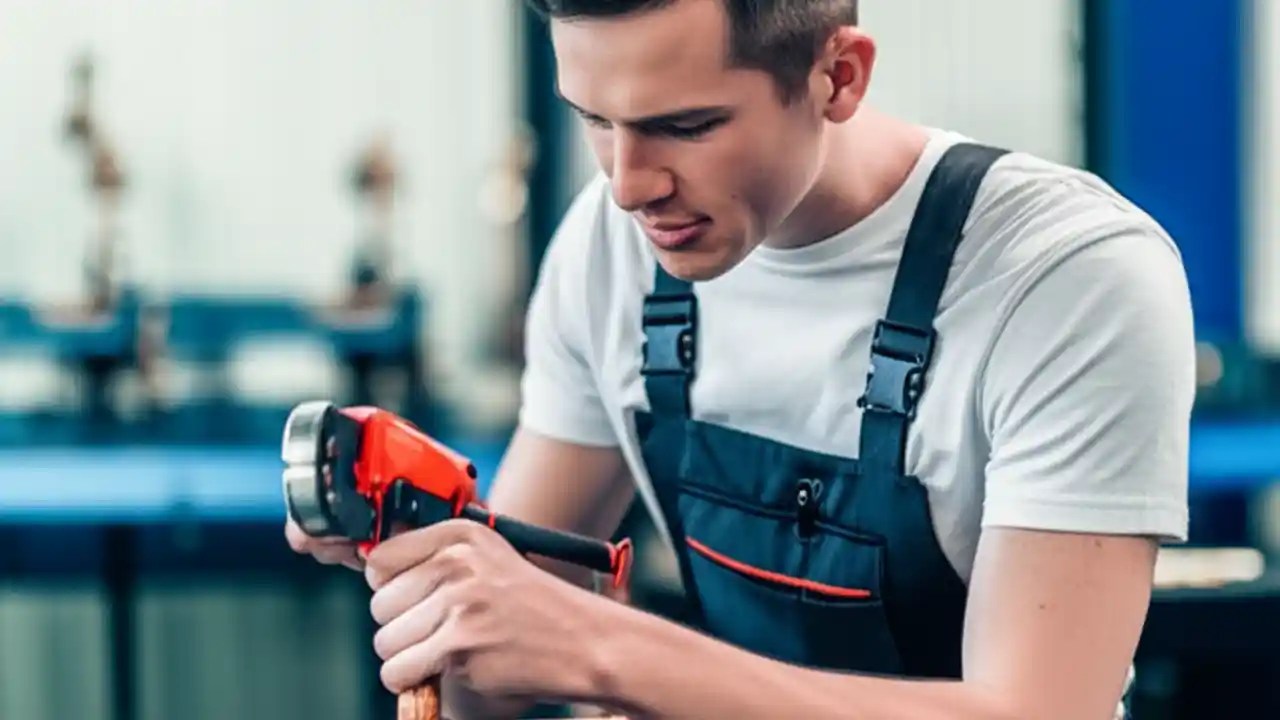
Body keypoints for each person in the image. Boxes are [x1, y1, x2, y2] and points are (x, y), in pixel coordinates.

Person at [286, 1, 1195, 717]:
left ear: (838, 76)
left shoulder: (1065, 278)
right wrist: (423, 577)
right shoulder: (610, 252)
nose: (628, 182)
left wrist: (606, 650)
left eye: (685, 125)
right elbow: (491, 682)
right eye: (595, 120)